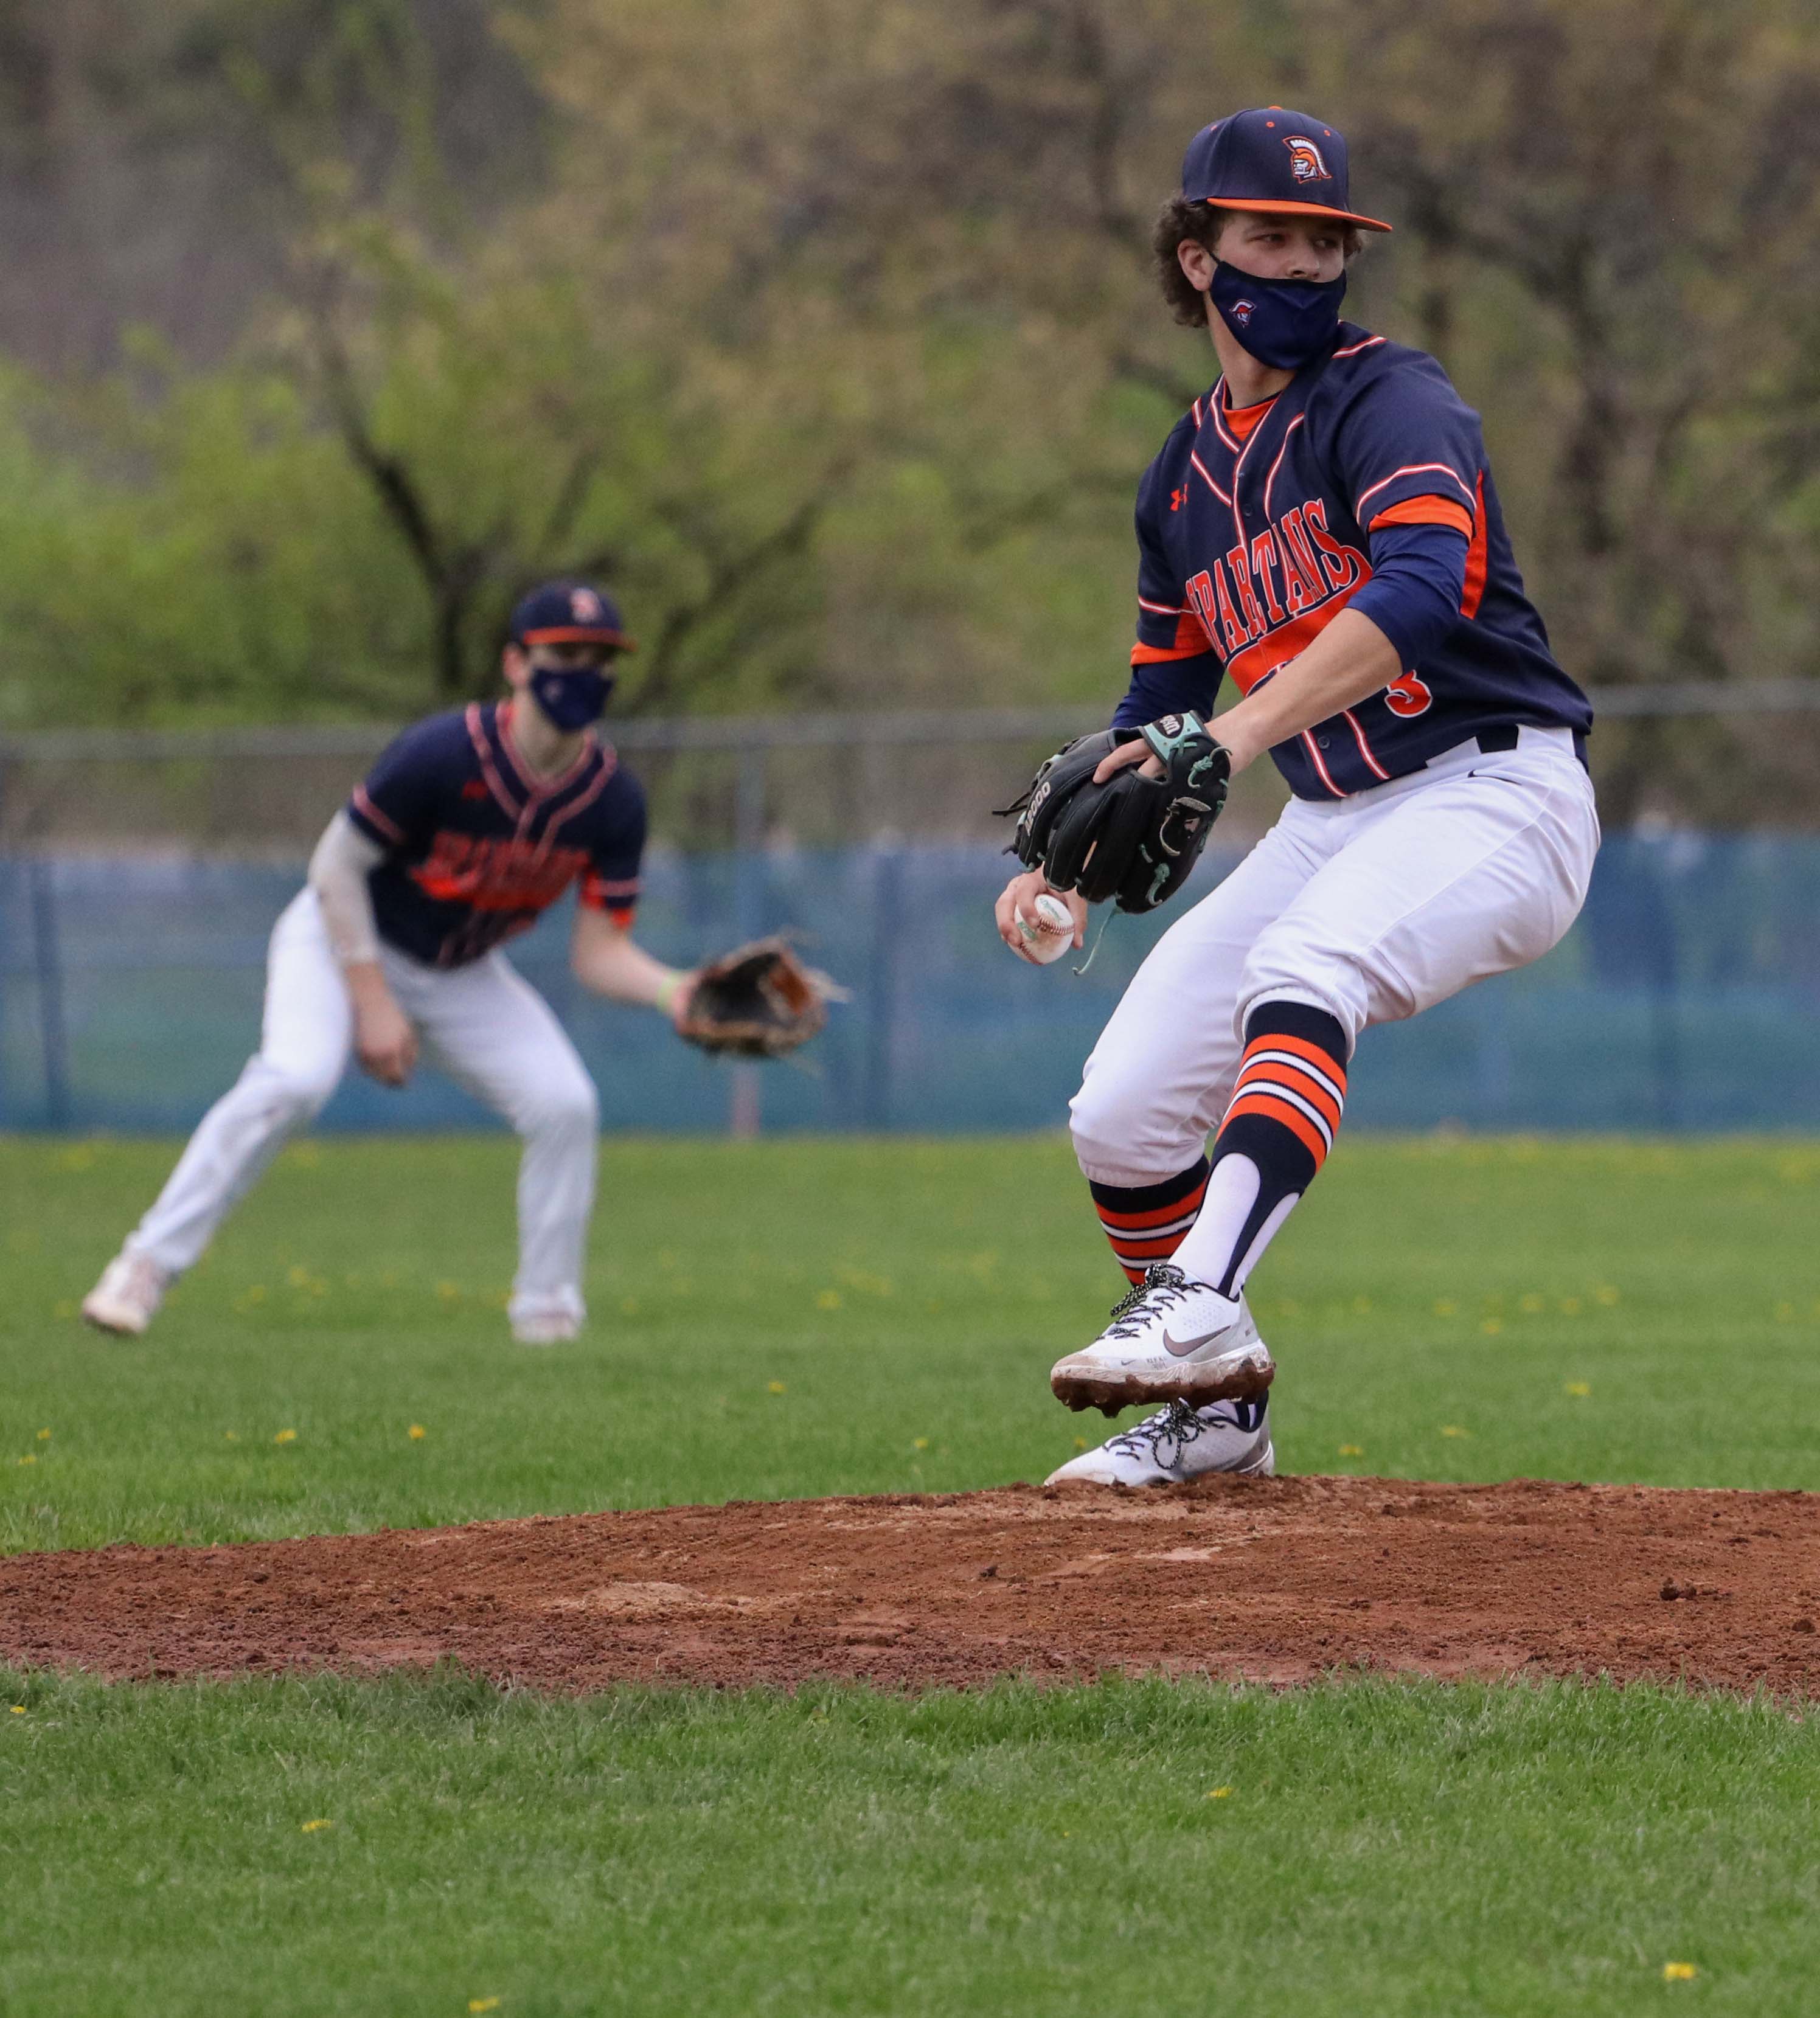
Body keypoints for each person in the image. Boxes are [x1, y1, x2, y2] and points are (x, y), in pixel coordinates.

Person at [995, 108, 1599, 1486]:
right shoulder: (1178, 478)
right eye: (1270, 236)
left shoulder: (1391, 400)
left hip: (1494, 792)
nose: (1305, 264)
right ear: (1197, 255)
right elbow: (1159, 699)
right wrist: (1064, 866)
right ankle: (1219, 1414)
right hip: (1336, 816)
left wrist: (1237, 732)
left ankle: (1198, 1300)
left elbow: (1419, 590)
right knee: (1124, 1109)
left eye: (1327, 241)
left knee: (1306, 964)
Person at [82, 581, 697, 1347]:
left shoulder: (612, 801)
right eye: (564, 654)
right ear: (515, 663)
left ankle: (547, 1317)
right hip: (340, 938)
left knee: (565, 1103)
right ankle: (144, 1267)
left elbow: (599, 954)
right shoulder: (444, 753)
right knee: (296, 1079)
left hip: (459, 972)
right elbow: (334, 868)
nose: (584, 671)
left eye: (601, 659)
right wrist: (371, 1000)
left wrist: (680, 992)